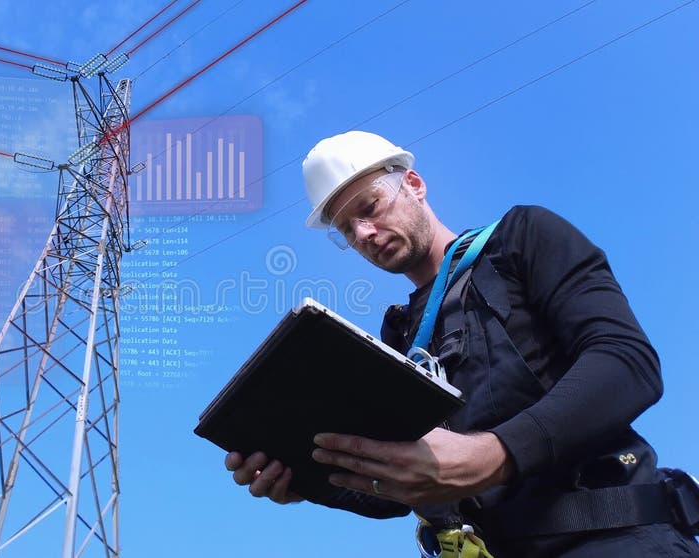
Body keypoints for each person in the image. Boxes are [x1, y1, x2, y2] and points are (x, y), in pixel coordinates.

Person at [224, 131, 699, 557]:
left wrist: (494, 454)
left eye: (369, 208)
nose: (363, 234)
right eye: (347, 230)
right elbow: (401, 486)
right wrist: (309, 478)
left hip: (614, 541)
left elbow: (627, 362)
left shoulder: (522, 238)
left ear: (413, 184)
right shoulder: (398, 338)